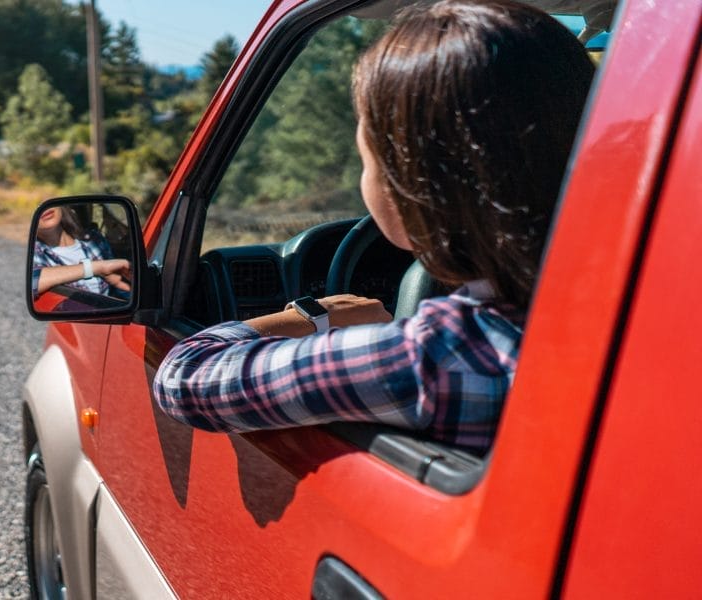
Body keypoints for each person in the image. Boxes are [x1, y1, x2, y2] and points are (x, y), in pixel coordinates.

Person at [153, 0, 596, 453]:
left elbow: (183, 377)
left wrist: (315, 316)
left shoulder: (431, 358)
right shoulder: (624, 314)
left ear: (413, 186)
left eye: (367, 159)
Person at [31, 205, 132, 298]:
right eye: (33, 203)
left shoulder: (94, 240)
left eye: (45, 199)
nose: (43, 207)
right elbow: (31, 283)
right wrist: (95, 268)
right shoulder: (33, 253)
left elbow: (117, 285)